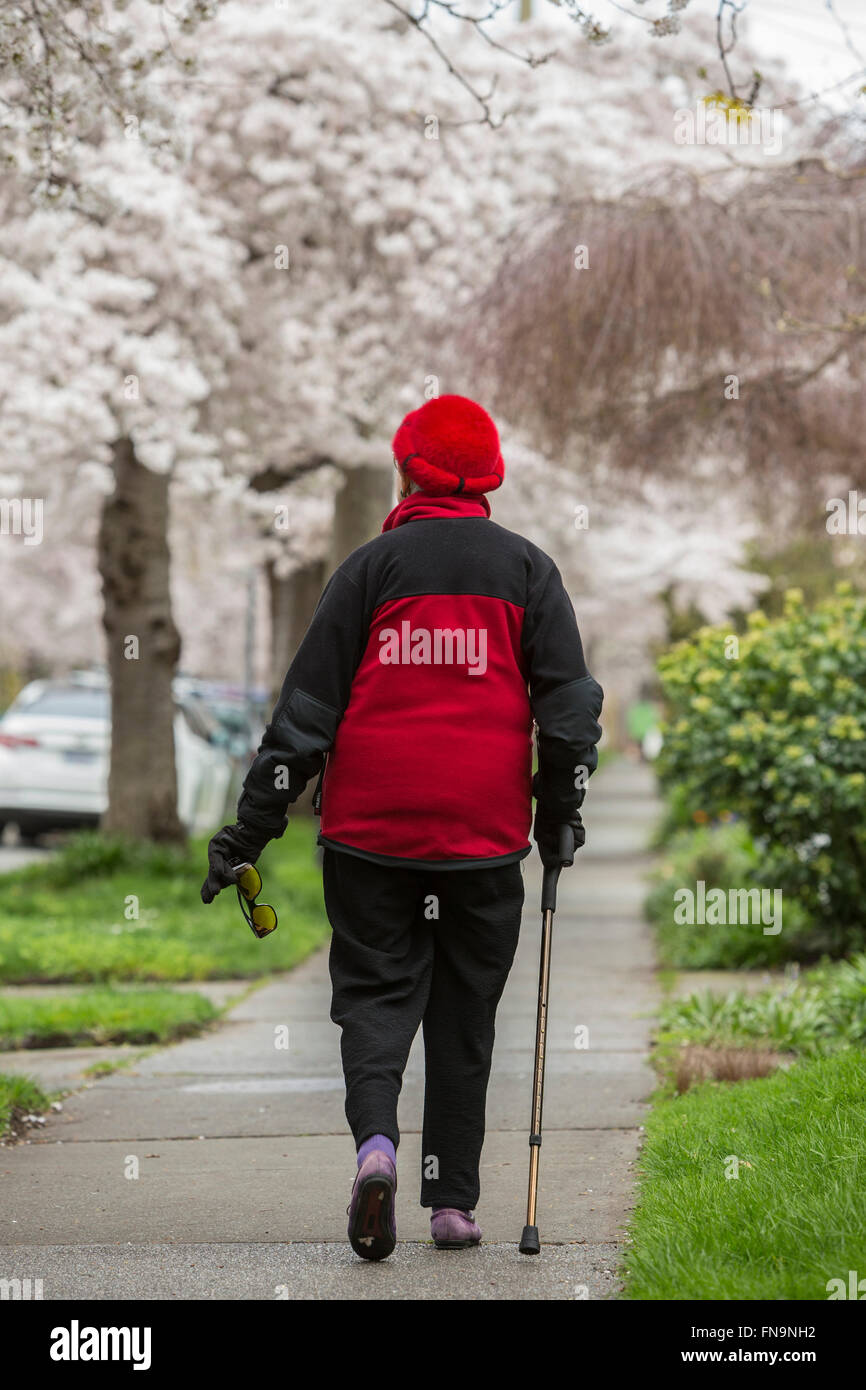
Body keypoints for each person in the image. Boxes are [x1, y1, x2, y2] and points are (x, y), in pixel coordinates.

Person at [201, 395, 603, 1261]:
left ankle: (376, 1150)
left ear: (406, 468)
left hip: (369, 831)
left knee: (377, 1000)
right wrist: (561, 812)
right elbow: (569, 711)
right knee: (465, 1017)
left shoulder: (369, 569)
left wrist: (248, 832)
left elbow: (304, 715)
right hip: (482, 835)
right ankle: (451, 1203)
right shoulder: (529, 572)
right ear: (490, 473)